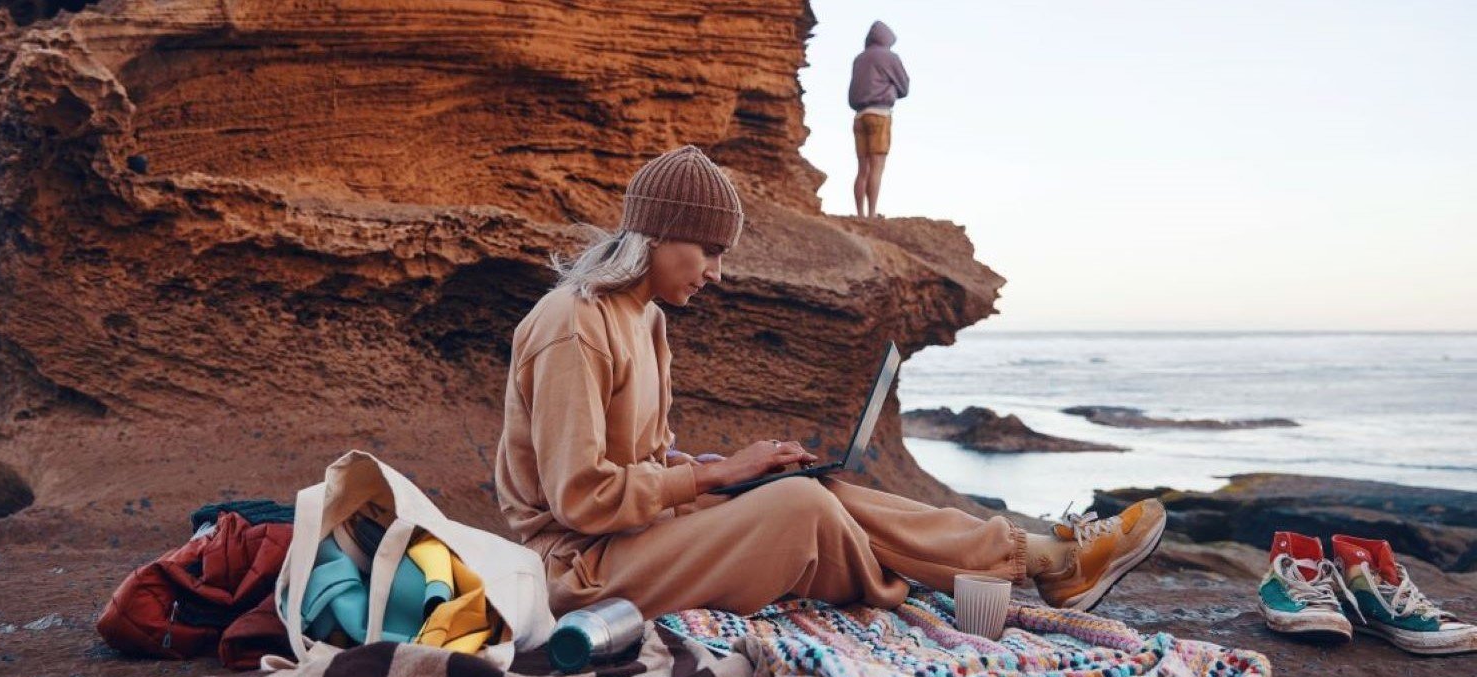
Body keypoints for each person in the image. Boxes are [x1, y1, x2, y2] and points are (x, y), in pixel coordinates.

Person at [494, 145, 1165, 620]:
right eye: (710, 251)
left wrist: (714, 469)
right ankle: (936, 581)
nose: (718, 272)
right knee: (800, 512)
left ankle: (1044, 556)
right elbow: (581, 497)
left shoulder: (646, 320)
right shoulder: (575, 325)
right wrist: (711, 478)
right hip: (582, 567)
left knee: (808, 487)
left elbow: (641, 461)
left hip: (637, 533)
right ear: (661, 235)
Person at [848, 21, 909, 218]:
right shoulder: (890, 57)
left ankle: (860, 214)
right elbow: (904, 87)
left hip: (859, 116)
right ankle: (872, 214)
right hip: (880, 114)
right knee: (877, 166)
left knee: (862, 168)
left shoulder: (859, 59)